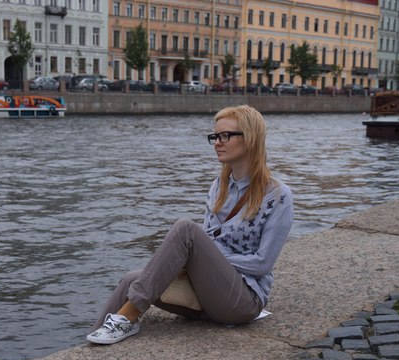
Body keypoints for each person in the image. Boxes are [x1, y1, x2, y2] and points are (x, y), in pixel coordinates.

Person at [86, 105, 294, 345]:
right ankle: (93, 343)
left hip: (243, 301)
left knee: (186, 229)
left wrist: (200, 259)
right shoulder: (218, 187)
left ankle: (129, 316)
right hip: (208, 293)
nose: (217, 142)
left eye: (225, 135)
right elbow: (208, 243)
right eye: (215, 136)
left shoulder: (278, 195)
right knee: (131, 280)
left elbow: (262, 263)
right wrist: (195, 262)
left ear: (251, 138)